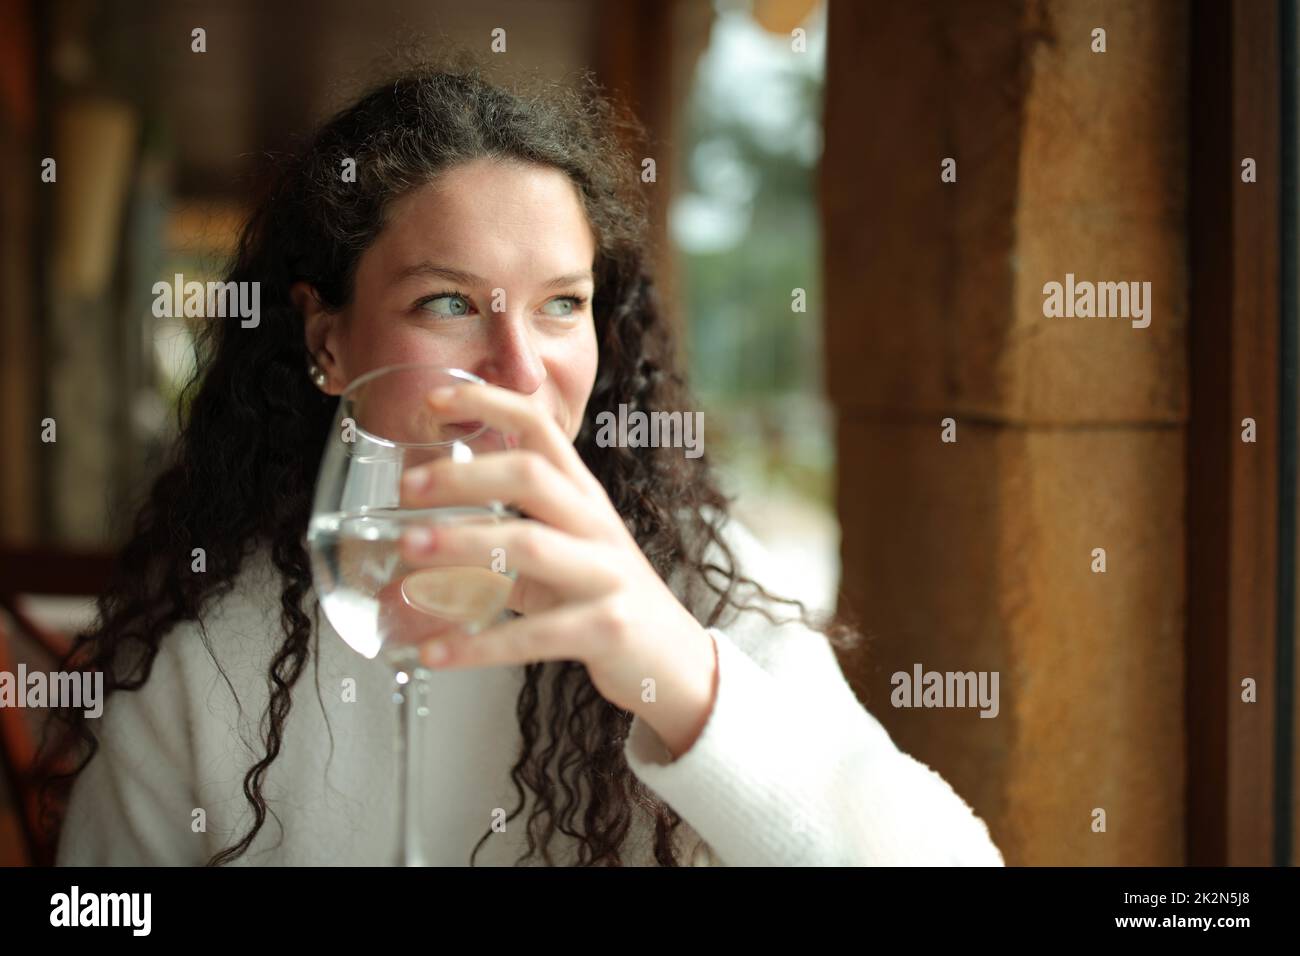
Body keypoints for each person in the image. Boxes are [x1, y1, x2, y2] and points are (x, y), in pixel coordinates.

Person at [41, 56, 1004, 867]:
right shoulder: (213, 650)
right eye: (448, 303)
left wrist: (676, 670)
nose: (519, 369)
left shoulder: (686, 579)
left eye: (562, 303)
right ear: (325, 339)